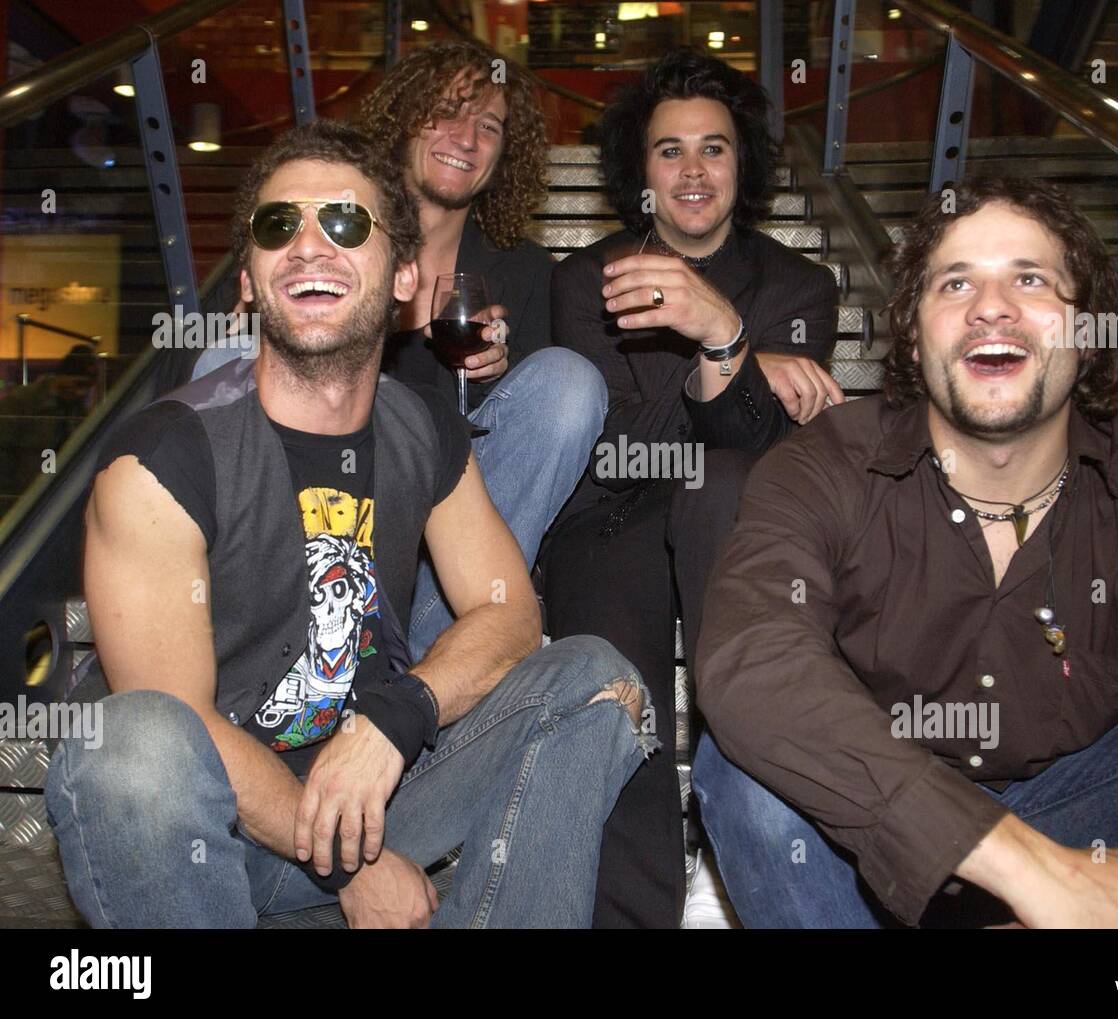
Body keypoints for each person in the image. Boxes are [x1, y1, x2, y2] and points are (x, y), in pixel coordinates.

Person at [44, 120, 653, 929]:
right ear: (251, 281)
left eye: (343, 223)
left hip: (373, 796)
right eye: (276, 226)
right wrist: (347, 868)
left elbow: (508, 608)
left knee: (595, 679)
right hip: (213, 831)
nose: (306, 245)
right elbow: (175, 721)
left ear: (405, 276)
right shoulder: (161, 460)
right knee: (132, 745)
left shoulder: (422, 428)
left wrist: (399, 716)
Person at [692, 175, 1118, 929]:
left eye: (1031, 278)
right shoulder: (825, 465)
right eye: (956, 283)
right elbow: (753, 653)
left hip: (1098, 825)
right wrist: (1015, 862)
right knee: (745, 767)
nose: (990, 306)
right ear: (914, 335)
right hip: (871, 837)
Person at [541, 48, 842, 928]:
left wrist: (720, 332)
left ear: (741, 162)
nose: (693, 170)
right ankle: (633, 911)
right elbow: (612, 454)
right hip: (611, 517)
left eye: (713, 147)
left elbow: (769, 449)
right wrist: (748, 365)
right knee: (613, 669)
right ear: (640, 170)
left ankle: (749, 840)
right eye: (669, 150)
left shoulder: (800, 284)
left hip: (740, 511)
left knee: (728, 486)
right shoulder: (584, 279)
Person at [358, 40, 607, 660]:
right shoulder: (342, 238)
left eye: (488, 126)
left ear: (505, 156)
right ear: (401, 123)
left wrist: (504, 372)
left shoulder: (520, 271)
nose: (464, 137)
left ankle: (436, 668)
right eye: (444, 111)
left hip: (458, 545)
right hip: (347, 510)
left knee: (566, 380)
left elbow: (537, 442)